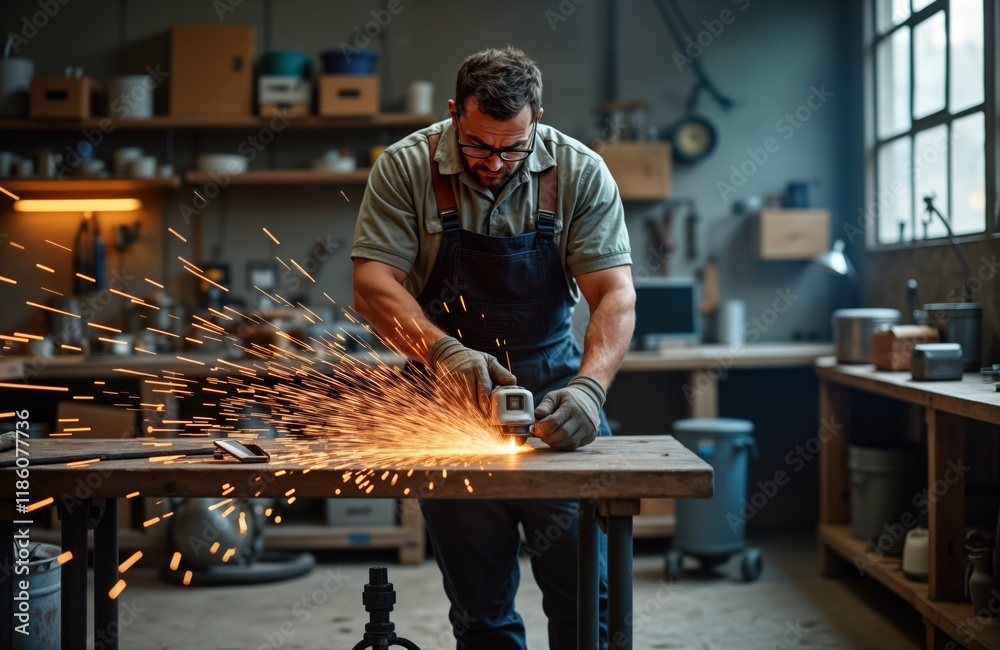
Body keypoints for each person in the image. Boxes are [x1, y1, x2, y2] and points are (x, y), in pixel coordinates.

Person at [351, 46, 635, 650]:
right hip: (445, 390)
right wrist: (446, 354)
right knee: (480, 609)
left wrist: (590, 388)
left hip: (555, 384)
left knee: (588, 596)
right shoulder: (407, 166)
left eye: (514, 147)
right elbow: (373, 287)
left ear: (537, 117)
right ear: (455, 113)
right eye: (479, 145)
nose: (496, 162)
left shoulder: (580, 171)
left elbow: (614, 294)